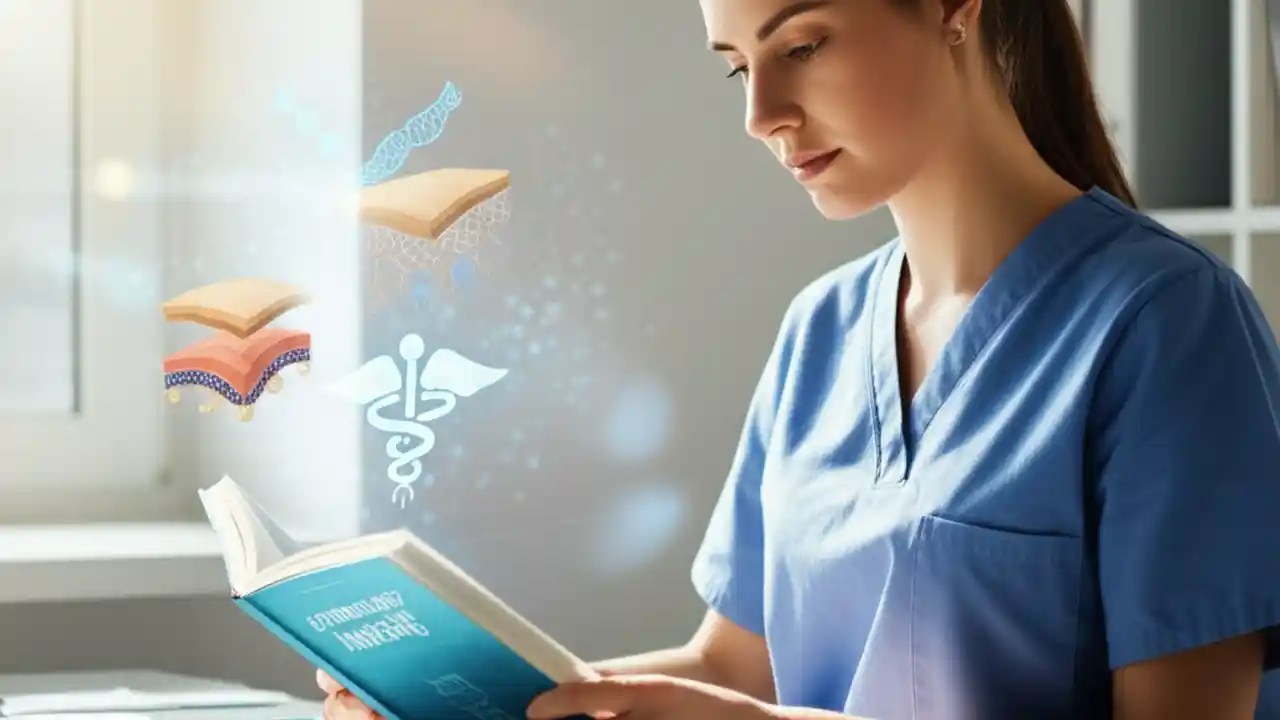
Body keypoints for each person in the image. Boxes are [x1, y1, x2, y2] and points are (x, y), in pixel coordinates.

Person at [320, 0, 1280, 717]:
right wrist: (482, 696)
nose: (763, 113)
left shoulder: (1168, 326)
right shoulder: (820, 331)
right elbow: (736, 670)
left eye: (802, 46)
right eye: (739, 67)